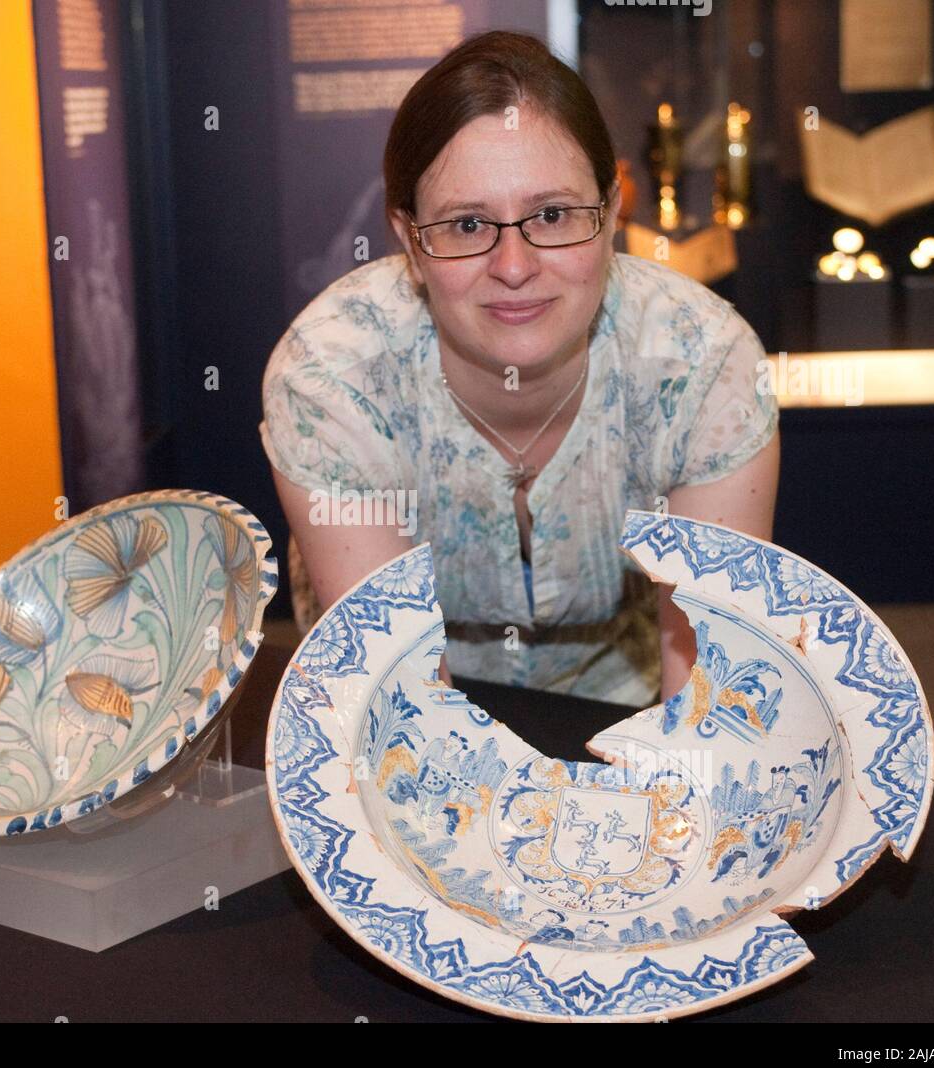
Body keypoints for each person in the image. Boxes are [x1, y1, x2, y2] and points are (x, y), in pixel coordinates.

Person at [258, 30, 779, 708]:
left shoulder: (707, 367)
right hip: (403, 700)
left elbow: (706, 692)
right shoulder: (332, 378)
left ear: (612, 215)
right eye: (468, 225)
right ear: (409, 244)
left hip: (627, 704)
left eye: (554, 214)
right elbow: (400, 701)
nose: (513, 266)